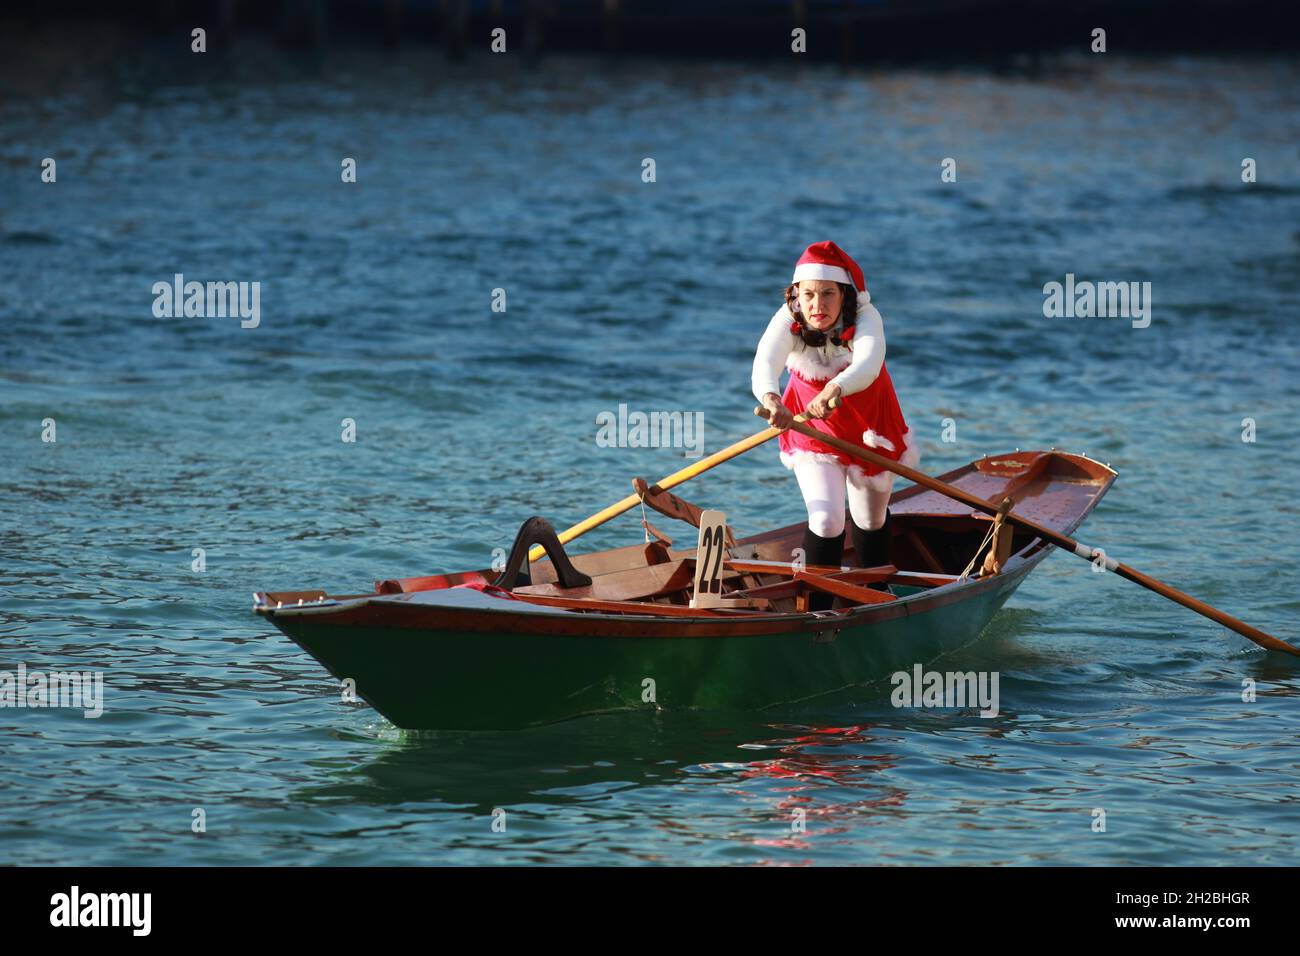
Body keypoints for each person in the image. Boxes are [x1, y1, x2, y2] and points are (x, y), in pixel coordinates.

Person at [751, 241, 919, 607]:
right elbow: (766, 361)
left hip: (868, 427)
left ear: (844, 295)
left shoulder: (867, 317)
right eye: (809, 294)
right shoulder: (788, 318)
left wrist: (835, 388)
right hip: (812, 429)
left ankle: (876, 592)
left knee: (869, 520)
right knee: (826, 520)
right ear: (797, 294)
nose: (817, 305)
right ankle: (818, 610)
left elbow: (869, 364)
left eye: (828, 294)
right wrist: (771, 399)